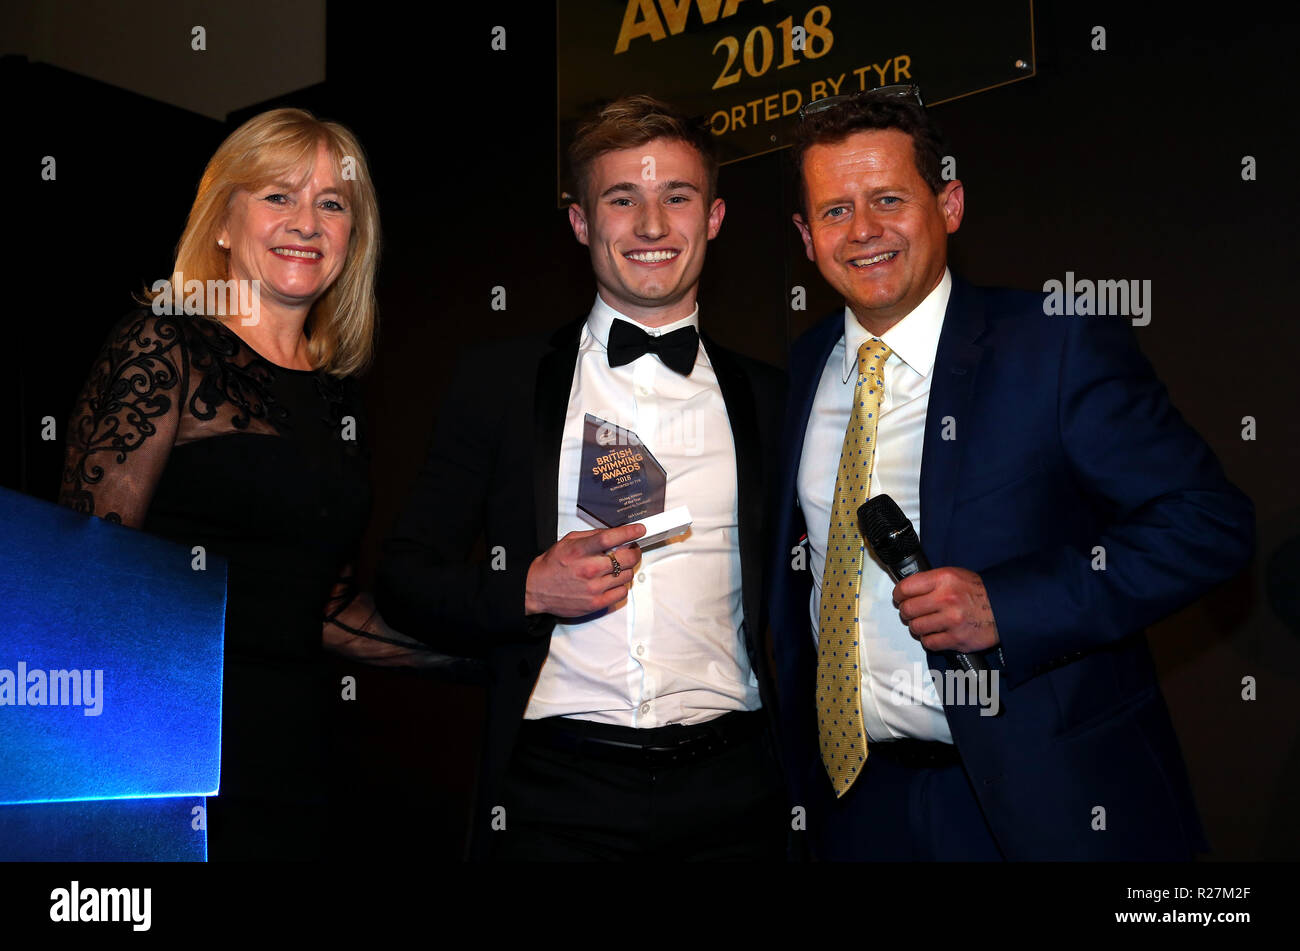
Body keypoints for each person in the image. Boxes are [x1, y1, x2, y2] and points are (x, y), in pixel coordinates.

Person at [768, 85, 1254, 860]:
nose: (863, 231)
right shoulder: (798, 375)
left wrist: (1010, 605)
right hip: (856, 806)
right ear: (805, 234)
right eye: (834, 211)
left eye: (888, 198)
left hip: (1042, 799)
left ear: (950, 204)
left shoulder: (1054, 344)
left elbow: (1209, 523)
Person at [377, 95, 788, 861]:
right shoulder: (498, 381)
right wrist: (528, 589)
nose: (653, 225)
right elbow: (402, 576)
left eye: (678, 197)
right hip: (555, 795)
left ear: (716, 217)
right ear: (579, 222)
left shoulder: (774, 398)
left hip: (736, 789)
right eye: (622, 198)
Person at [59, 107, 434, 861]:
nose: (307, 221)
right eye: (277, 195)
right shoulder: (167, 337)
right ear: (223, 221)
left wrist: (504, 630)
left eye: (332, 202)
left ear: (353, 236)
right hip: (167, 755)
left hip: (298, 754)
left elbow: (321, 609)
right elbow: (85, 569)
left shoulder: (336, 395)